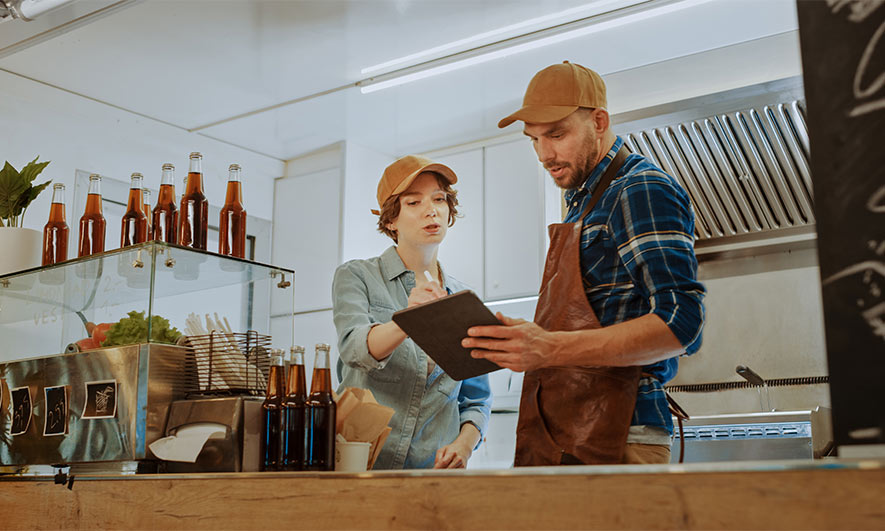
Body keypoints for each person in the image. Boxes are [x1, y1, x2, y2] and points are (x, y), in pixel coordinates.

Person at [463, 61, 705, 465]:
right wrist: (529, 340)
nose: (544, 154)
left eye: (556, 135)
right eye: (534, 139)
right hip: (567, 433)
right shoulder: (583, 201)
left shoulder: (640, 188)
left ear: (599, 121)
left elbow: (682, 324)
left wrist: (549, 346)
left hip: (620, 435)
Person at [332, 155, 492, 469]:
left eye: (439, 199)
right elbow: (354, 349)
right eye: (413, 203)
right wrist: (408, 319)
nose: (431, 210)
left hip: (433, 473)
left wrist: (464, 446)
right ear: (391, 219)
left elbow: (476, 399)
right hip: (363, 465)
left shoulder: (462, 299)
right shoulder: (357, 276)